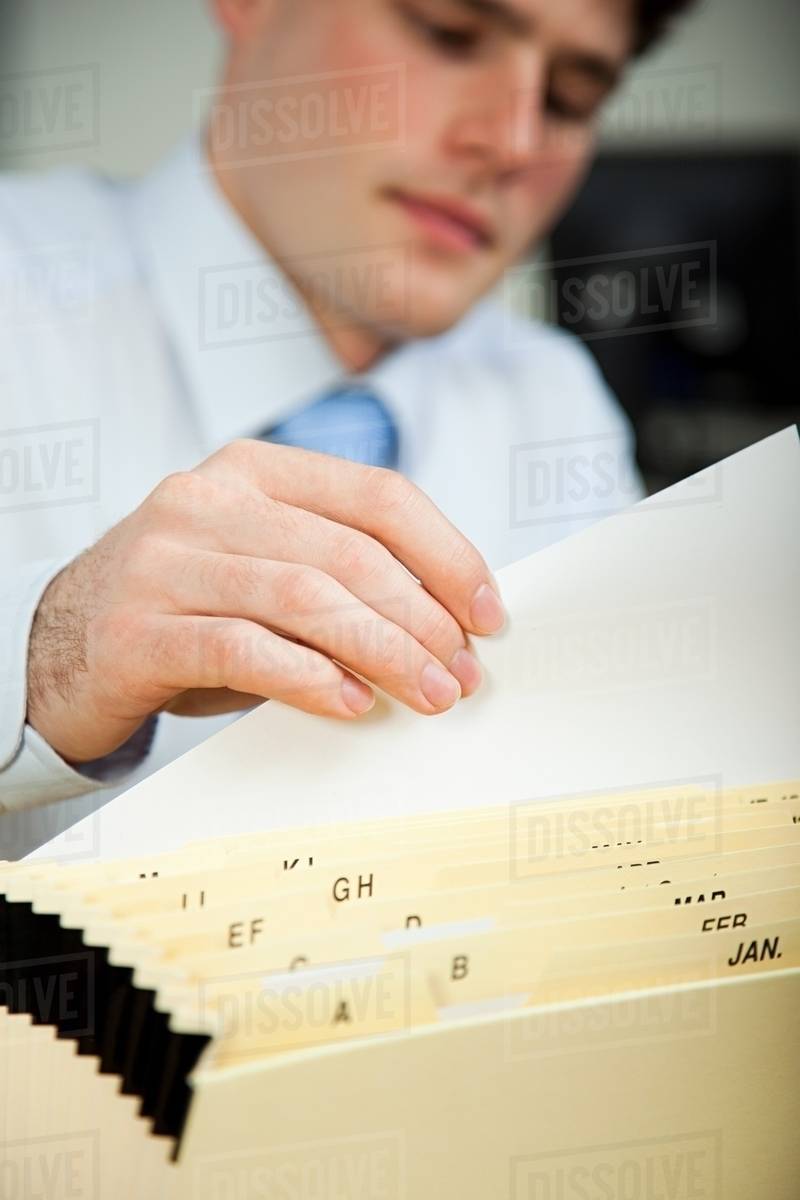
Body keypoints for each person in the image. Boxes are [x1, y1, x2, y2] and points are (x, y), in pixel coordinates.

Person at [0, 0, 695, 832]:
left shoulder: (557, 407)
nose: (512, 141)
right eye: (447, 32)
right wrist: (47, 667)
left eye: (571, 99)